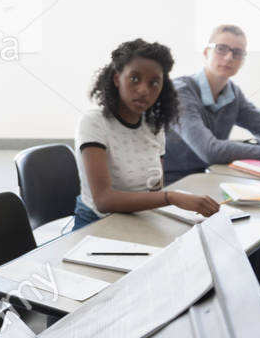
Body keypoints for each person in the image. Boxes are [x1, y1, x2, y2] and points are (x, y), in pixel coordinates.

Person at [163, 23, 260, 322]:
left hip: (210, 178)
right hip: (173, 184)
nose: (229, 57)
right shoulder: (181, 93)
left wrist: (240, 147)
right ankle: (237, 292)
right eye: (222, 48)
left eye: (238, 52)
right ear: (207, 51)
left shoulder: (232, 94)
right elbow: (210, 151)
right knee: (254, 216)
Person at [74, 39, 220, 231]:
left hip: (139, 219)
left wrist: (169, 201)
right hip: (97, 224)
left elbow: (154, 190)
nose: (144, 90)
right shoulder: (93, 122)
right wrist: (171, 197)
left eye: (154, 83)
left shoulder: (154, 126)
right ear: (117, 79)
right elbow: (103, 201)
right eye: (134, 79)